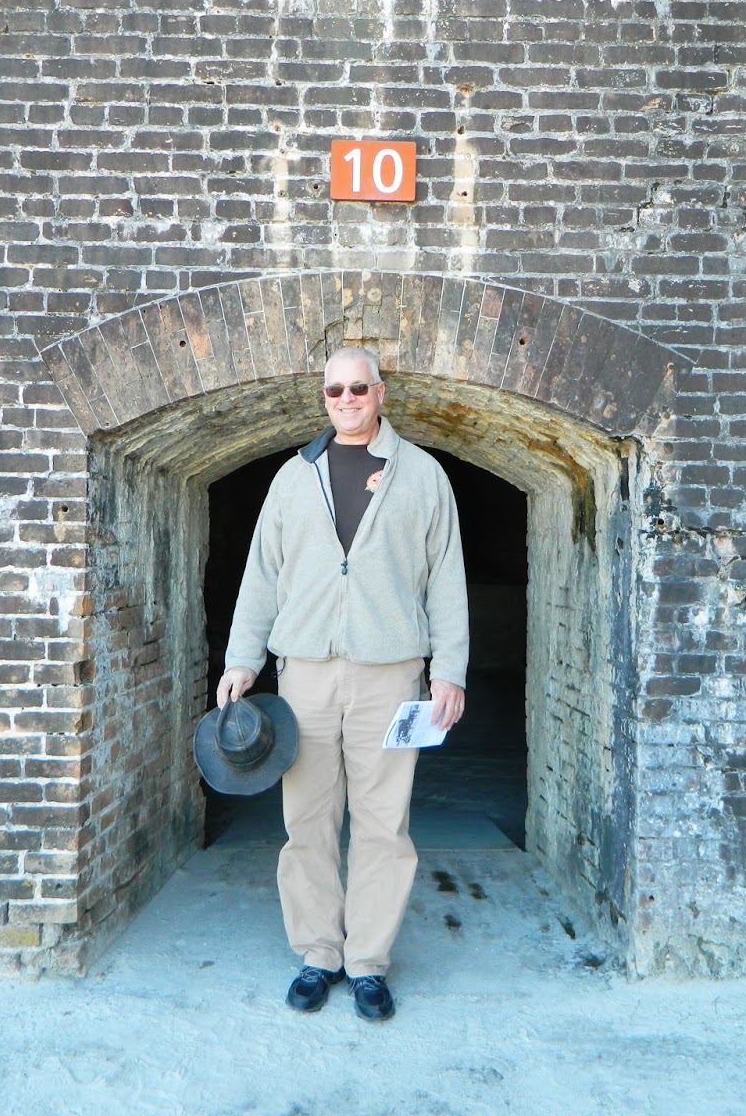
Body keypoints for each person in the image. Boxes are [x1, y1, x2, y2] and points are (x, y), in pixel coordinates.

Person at [216, 345, 468, 1022]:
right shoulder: (294, 477)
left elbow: (446, 576)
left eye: (359, 387)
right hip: (305, 674)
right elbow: (261, 575)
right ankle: (319, 952)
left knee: (384, 823)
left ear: (381, 392)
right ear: (322, 398)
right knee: (307, 820)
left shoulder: (423, 475)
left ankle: (367, 964)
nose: (348, 399)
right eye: (335, 390)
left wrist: (449, 670)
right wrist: (243, 660)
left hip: (392, 673)